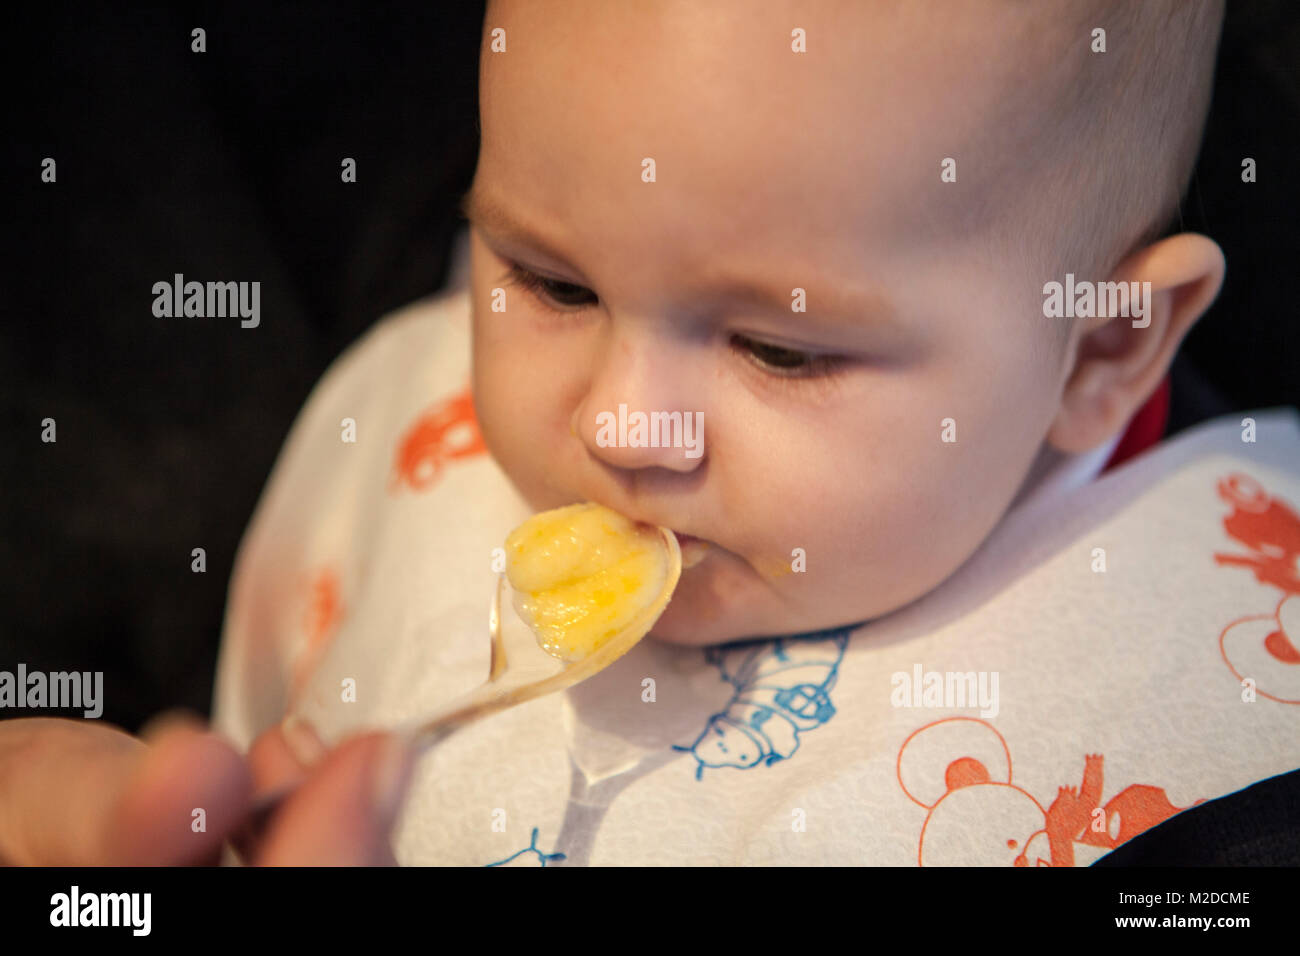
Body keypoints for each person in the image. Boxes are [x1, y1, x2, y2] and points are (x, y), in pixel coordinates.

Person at [12, 0, 1282, 867]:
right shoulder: (394, 396)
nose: (622, 424)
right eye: (553, 283)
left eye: (780, 347)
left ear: (1103, 343)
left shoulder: (1234, 713)